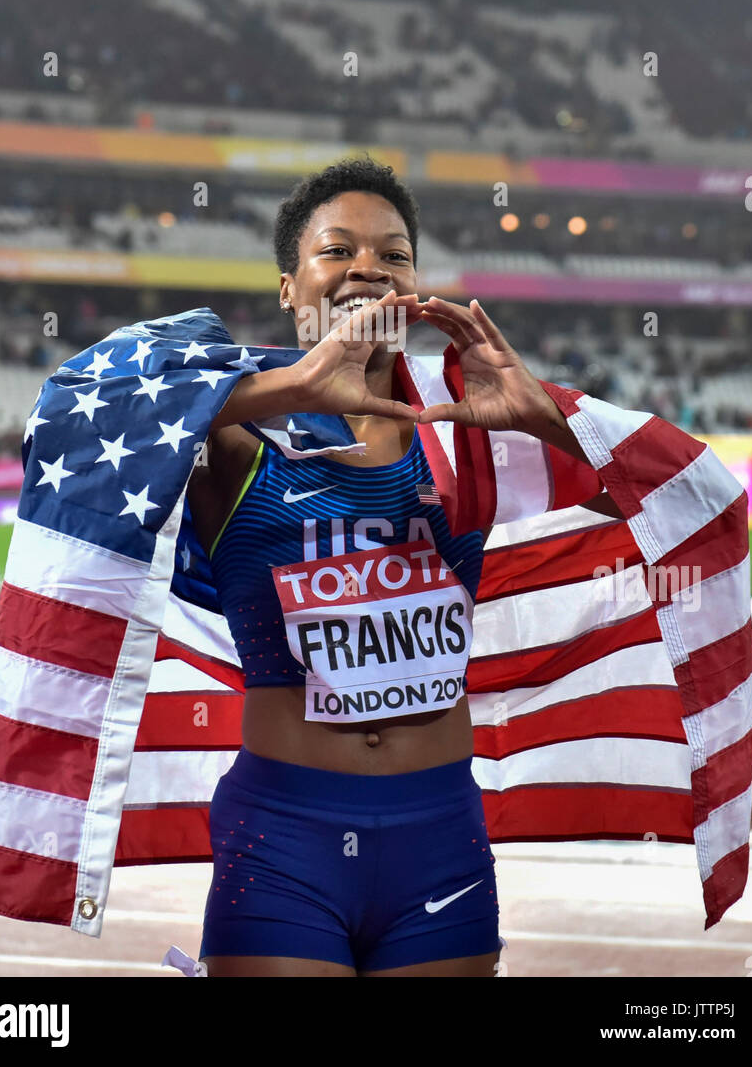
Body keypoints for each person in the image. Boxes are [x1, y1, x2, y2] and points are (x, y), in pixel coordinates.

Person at [186, 158, 616, 978]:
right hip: (283, 833)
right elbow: (64, 426)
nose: (368, 269)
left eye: (394, 254)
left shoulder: (469, 429)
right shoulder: (230, 437)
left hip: (439, 833)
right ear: (288, 288)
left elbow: (671, 500)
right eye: (336, 250)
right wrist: (281, 388)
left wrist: (547, 421)